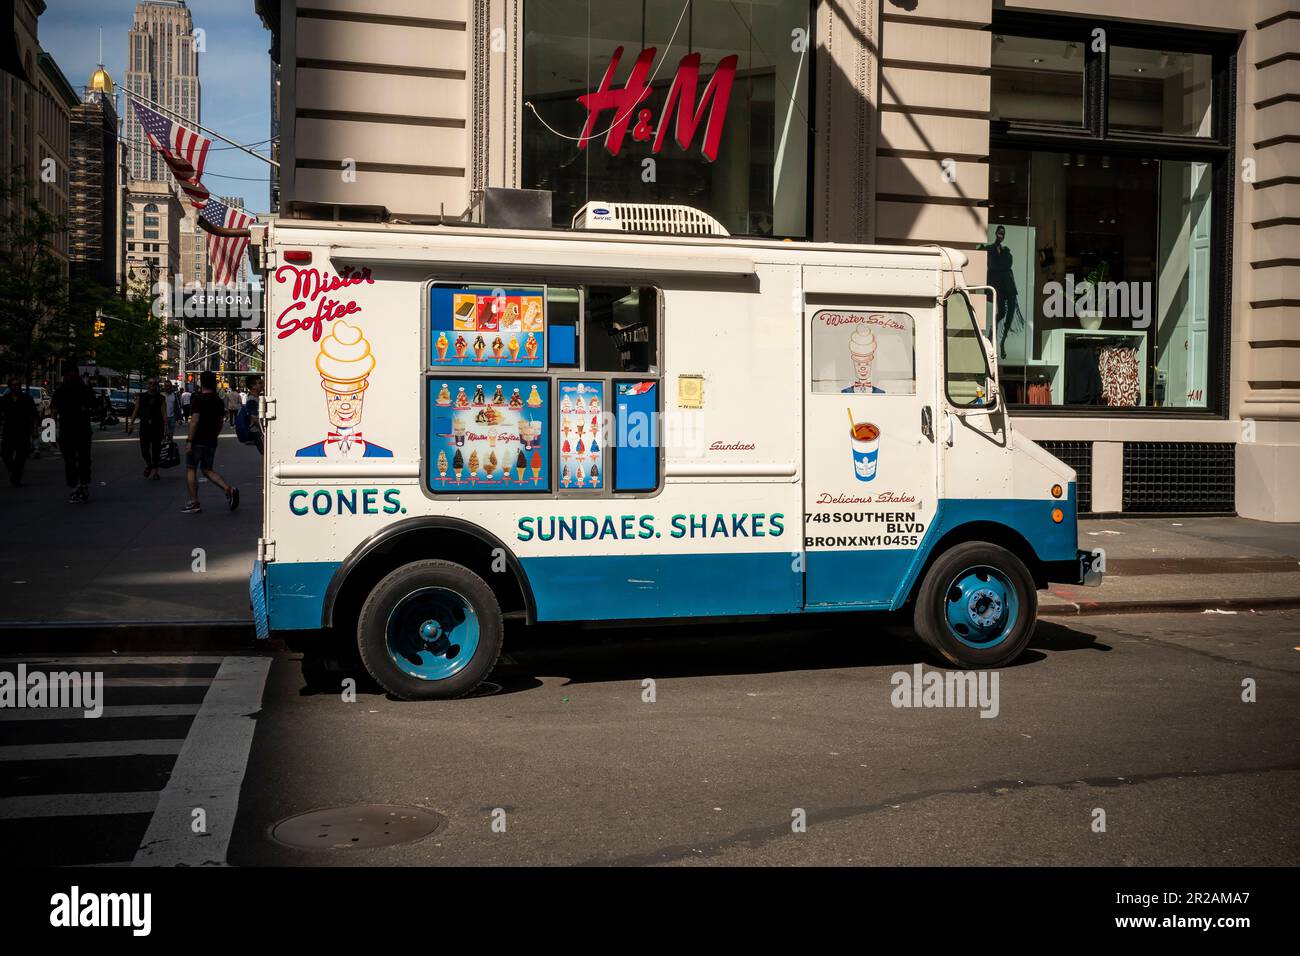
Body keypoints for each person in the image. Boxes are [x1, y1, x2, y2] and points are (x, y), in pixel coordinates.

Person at [182, 370, 238, 514]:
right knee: (207, 469)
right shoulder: (218, 401)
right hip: (211, 440)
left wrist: (189, 440)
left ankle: (194, 502)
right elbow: (220, 422)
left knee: (191, 468)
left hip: (197, 440)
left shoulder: (198, 400)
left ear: (201, 382)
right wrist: (214, 435)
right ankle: (228, 489)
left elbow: (194, 421)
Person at [51, 365, 97, 502]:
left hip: (75, 430)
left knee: (76, 460)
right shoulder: (83, 390)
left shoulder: (62, 391)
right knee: (78, 460)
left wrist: (49, 436)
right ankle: (80, 486)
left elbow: (53, 412)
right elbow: (53, 412)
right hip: (76, 430)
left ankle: (78, 486)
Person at [0, 375, 39, 487]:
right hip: (9, 431)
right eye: (13, 385)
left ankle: (16, 478)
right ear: (9, 386)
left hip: (23, 431)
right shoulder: (4, 399)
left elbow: (34, 416)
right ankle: (13, 470)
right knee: (5, 454)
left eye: (17, 385)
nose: (16, 387)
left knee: (21, 457)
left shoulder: (27, 399)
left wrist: (35, 431)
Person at [131, 379, 166, 479]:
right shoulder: (141, 397)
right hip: (145, 427)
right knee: (144, 450)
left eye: (154, 383)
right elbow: (136, 410)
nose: (152, 385)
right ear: (147, 385)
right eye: (150, 383)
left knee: (156, 450)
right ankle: (150, 465)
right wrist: (131, 423)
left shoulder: (161, 398)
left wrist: (166, 427)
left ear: (157, 385)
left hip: (157, 427)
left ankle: (155, 472)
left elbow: (164, 413)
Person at [240, 377, 264, 455]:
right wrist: (265, 429)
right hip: (258, 432)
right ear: (253, 386)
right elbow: (255, 418)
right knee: (266, 454)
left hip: (259, 432)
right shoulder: (252, 400)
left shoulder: (256, 398)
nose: (262, 385)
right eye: (259, 383)